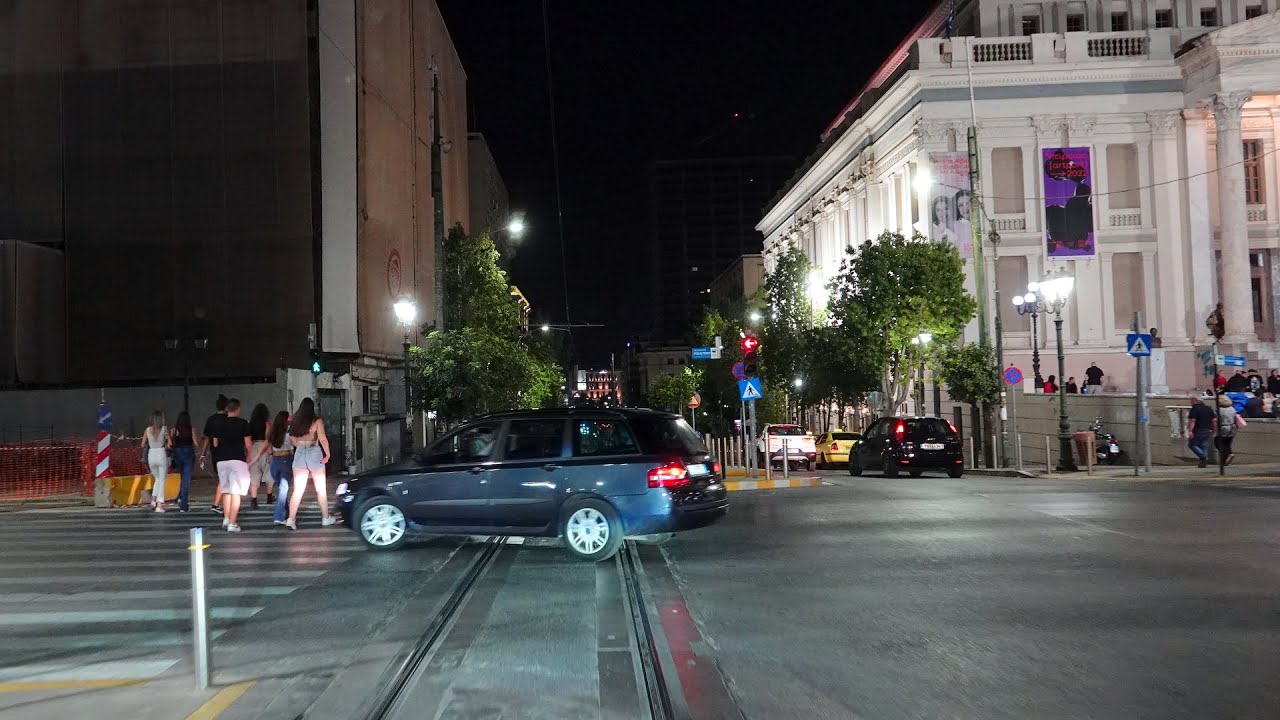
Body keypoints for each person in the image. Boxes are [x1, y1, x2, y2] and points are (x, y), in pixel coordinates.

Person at [286, 398, 334, 530]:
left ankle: (291, 519)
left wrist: (300, 445)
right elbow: (323, 438)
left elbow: (293, 439)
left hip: (300, 452)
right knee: (320, 489)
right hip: (314, 452)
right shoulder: (317, 421)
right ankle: (325, 518)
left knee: (298, 490)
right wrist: (327, 454)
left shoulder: (296, 421)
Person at [211, 398, 252, 532]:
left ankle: (226, 518)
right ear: (238, 409)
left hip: (221, 461)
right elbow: (248, 444)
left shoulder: (218, 424)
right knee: (236, 492)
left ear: (227, 409)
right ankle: (232, 523)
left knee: (226, 490)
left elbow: (215, 443)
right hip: (237, 459)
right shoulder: (243, 423)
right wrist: (249, 457)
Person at [199, 395, 229, 514]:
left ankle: (219, 504)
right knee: (224, 479)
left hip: (215, 453)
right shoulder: (229, 419)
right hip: (229, 452)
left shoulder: (211, 420)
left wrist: (203, 454)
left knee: (223, 478)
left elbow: (206, 438)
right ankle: (217, 504)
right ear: (226, 407)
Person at [266, 410, 294, 526]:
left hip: (274, 462)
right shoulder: (289, 432)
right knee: (284, 489)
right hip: (286, 460)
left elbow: (269, 449)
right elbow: (295, 444)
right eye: (289, 417)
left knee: (282, 489)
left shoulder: (272, 433)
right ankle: (278, 516)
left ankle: (286, 514)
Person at [140, 410, 172, 512]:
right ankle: (159, 505)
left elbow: (142, 445)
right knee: (162, 480)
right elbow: (170, 444)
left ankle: (153, 499)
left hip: (151, 455)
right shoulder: (164, 429)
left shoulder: (147, 430)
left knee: (157, 478)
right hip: (161, 454)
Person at [246, 403, 272, 510]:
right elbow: (268, 438)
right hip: (264, 447)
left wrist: (248, 453)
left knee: (254, 473)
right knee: (268, 472)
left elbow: (247, 439)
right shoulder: (268, 423)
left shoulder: (249, 423)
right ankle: (269, 497)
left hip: (253, 447)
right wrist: (270, 451)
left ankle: (254, 500)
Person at [170, 411, 196, 512]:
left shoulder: (174, 430)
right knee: (186, 480)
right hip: (188, 453)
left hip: (177, 453)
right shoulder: (191, 429)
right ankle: (183, 506)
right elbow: (196, 443)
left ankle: (179, 497)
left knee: (182, 477)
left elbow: (171, 443)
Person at [1187, 396, 1216, 468]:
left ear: (1195, 400)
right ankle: (1203, 462)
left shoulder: (1195, 408)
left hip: (1198, 430)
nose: (1190, 402)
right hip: (1208, 430)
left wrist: (1190, 430)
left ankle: (1203, 458)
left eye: (1191, 400)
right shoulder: (1208, 408)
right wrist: (1214, 430)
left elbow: (1192, 420)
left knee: (1192, 445)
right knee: (1204, 445)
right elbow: (1214, 421)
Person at [1216, 393, 1242, 466]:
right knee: (1227, 444)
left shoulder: (1219, 410)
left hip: (1223, 427)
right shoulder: (1232, 409)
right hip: (1233, 427)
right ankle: (1225, 461)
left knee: (1218, 443)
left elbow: (1217, 419)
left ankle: (1228, 454)